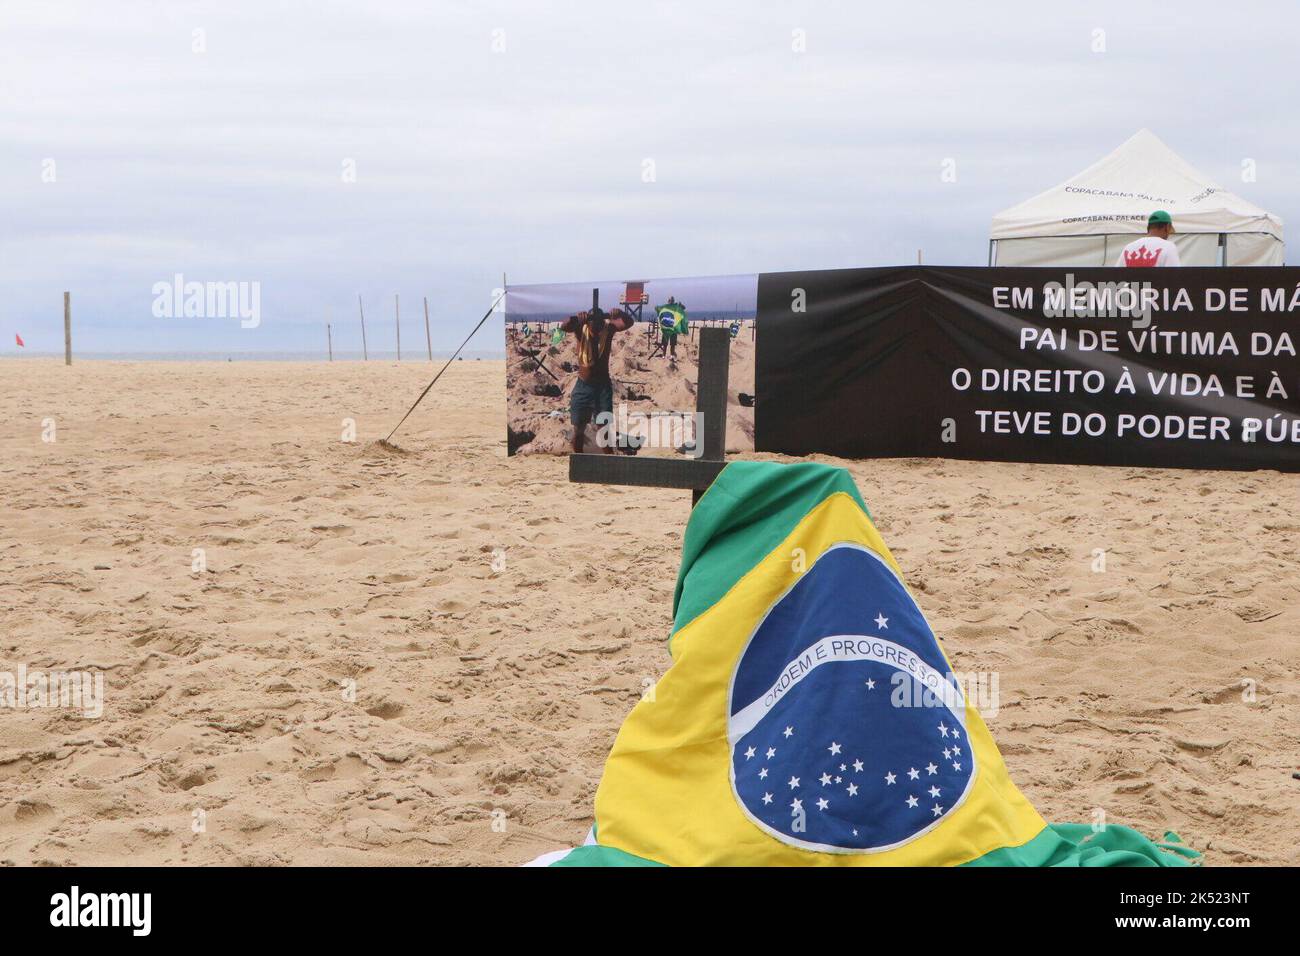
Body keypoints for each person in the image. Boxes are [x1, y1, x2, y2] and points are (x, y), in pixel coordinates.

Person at [561, 306, 634, 453]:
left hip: (602, 387)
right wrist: (577, 318)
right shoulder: (581, 330)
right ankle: (579, 461)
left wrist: (620, 313)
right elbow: (564, 326)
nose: (597, 327)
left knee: (604, 430)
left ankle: (609, 462)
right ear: (588, 323)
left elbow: (628, 322)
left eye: (600, 323)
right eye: (593, 323)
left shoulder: (608, 329)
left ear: (603, 322)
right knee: (579, 429)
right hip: (583, 385)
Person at [1116, 210, 1180, 267]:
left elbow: (1116, 275)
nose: (1169, 234)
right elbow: (1175, 276)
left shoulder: (1128, 248)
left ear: (1148, 227)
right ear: (1167, 227)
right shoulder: (1168, 247)